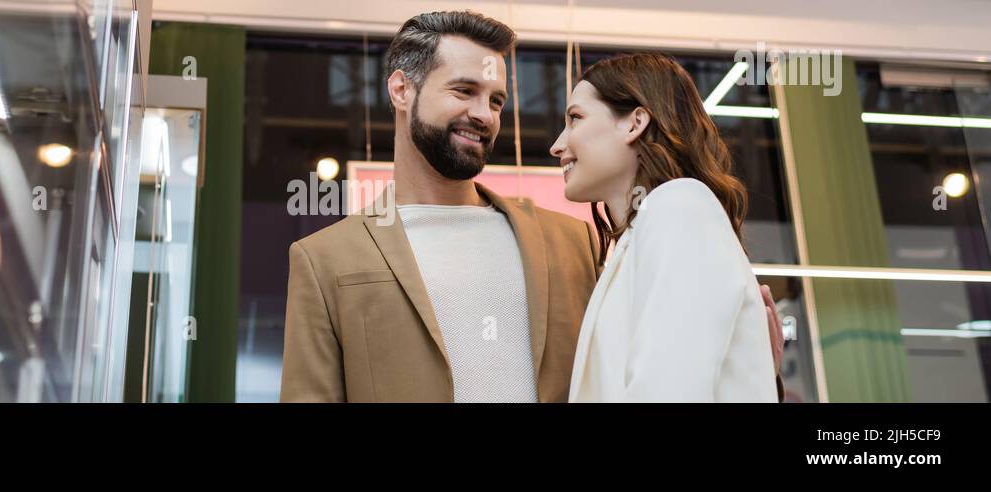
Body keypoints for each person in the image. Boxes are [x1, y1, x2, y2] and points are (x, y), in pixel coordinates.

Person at [280, 11, 783, 402]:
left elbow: (663, 369)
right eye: (465, 90)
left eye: (497, 101)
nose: (483, 114)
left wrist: (755, 364)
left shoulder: (575, 242)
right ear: (401, 88)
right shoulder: (326, 261)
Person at [553, 53, 778, 402]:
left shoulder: (679, 204)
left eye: (575, 119)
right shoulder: (642, 233)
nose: (558, 146)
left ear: (634, 123)